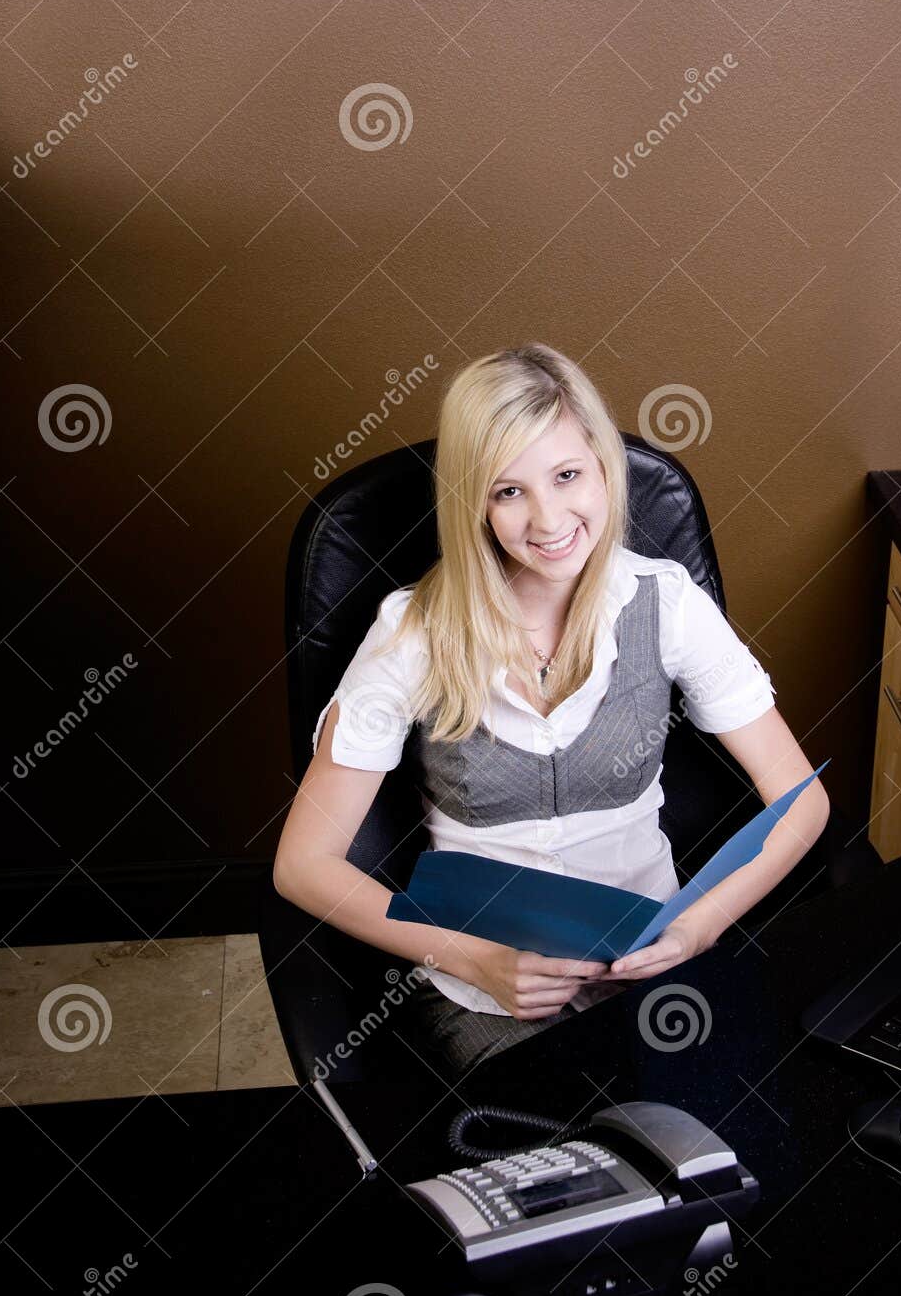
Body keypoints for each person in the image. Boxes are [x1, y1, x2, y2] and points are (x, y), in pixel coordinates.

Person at [273, 343, 829, 1080]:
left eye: (566, 475)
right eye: (507, 492)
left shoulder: (666, 605)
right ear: (471, 500)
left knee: (721, 1144)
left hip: (650, 965)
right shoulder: (412, 633)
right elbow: (303, 865)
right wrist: (479, 960)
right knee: (553, 1163)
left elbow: (801, 804)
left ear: (602, 466)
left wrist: (697, 929)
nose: (546, 518)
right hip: (483, 991)